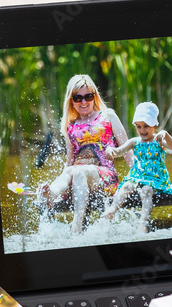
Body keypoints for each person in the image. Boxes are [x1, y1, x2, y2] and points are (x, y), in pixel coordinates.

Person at [36, 74, 132, 234]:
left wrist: (139, 176)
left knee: (79, 171)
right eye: (78, 98)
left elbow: (127, 150)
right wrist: (64, 186)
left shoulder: (108, 115)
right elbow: (69, 162)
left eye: (88, 96)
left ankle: (76, 227)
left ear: (94, 96)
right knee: (71, 171)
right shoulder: (70, 125)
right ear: (71, 100)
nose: (84, 102)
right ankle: (51, 193)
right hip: (78, 180)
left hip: (105, 178)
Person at [102, 102, 172, 233]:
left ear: (154, 125)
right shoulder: (134, 142)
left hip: (155, 178)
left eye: (146, 126)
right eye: (139, 127)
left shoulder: (158, 141)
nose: (142, 130)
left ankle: (144, 221)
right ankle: (113, 209)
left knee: (146, 191)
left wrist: (165, 134)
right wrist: (110, 150)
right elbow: (118, 151)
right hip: (137, 176)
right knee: (126, 187)